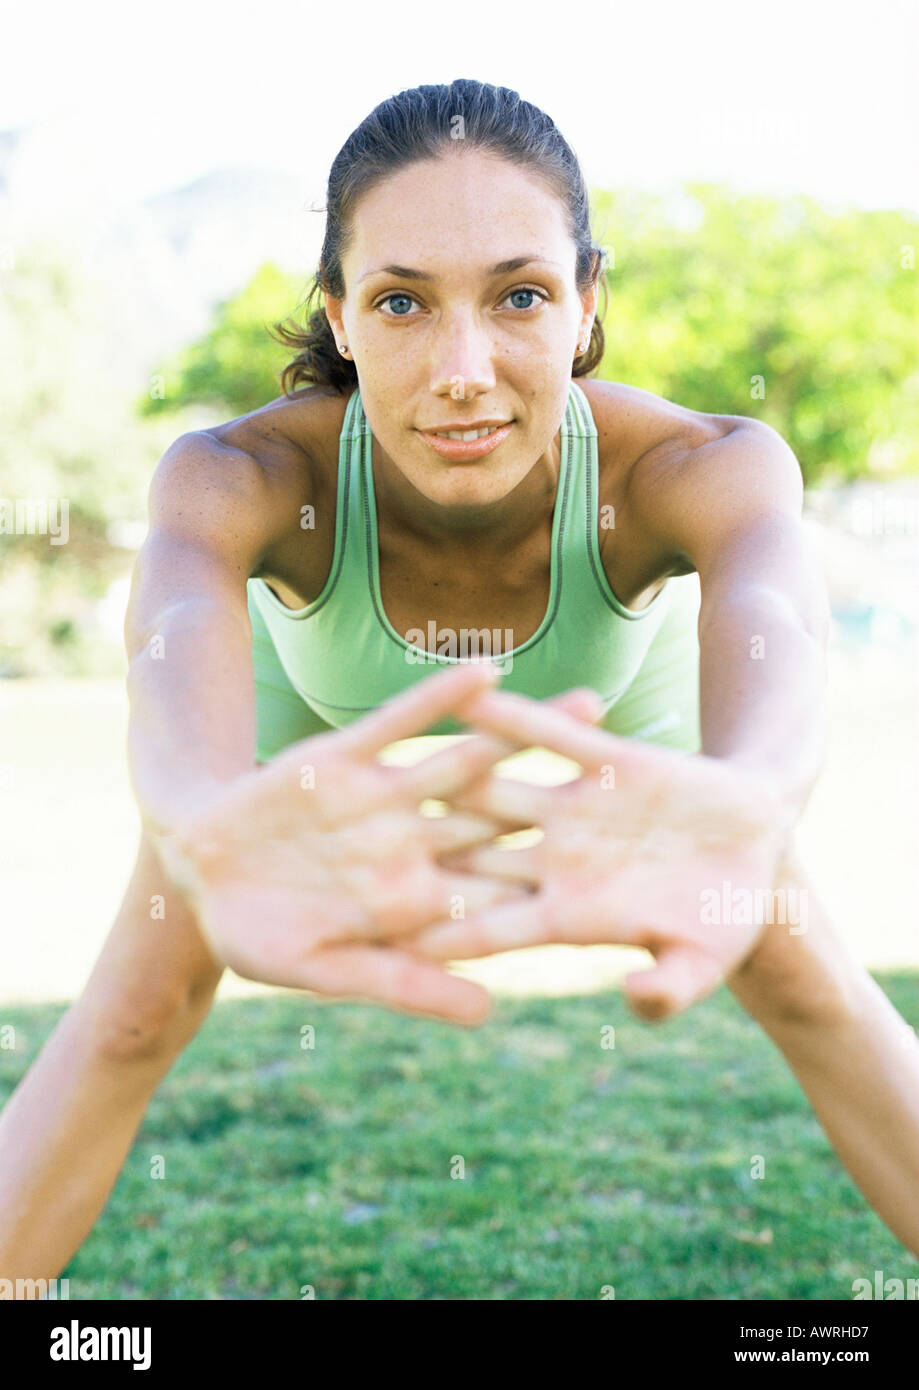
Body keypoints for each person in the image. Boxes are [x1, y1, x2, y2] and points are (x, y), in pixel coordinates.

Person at [1, 78, 917, 1288]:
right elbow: (168, 638)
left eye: (520, 295)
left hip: (620, 689)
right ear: (336, 315)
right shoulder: (236, 476)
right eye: (400, 303)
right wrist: (197, 821)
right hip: (305, 698)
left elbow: (774, 627)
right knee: (132, 1008)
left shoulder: (699, 466)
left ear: (587, 299)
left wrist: (754, 796)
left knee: (800, 969)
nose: (464, 370)